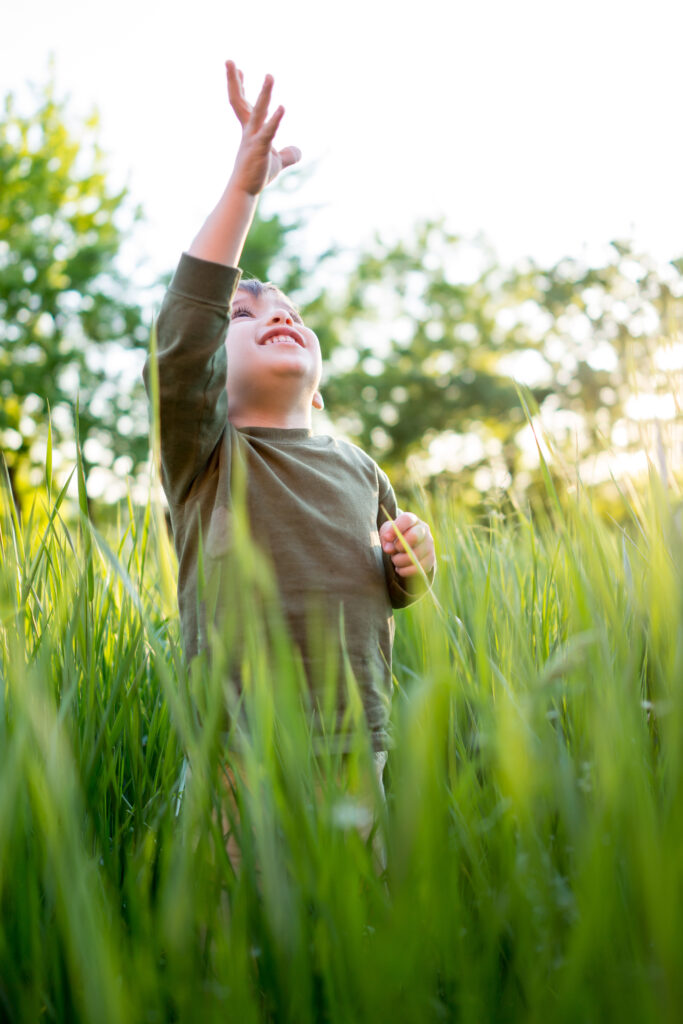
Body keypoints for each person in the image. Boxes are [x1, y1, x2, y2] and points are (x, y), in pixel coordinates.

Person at [144, 61, 436, 869]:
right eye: (248, 312)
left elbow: (382, 586)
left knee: (350, 934)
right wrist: (242, 195)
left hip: (356, 744)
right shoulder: (204, 454)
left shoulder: (356, 467)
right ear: (211, 368)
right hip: (235, 747)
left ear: (317, 384)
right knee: (228, 943)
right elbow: (183, 330)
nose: (275, 312)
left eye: (290, 312)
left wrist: (410, 566)